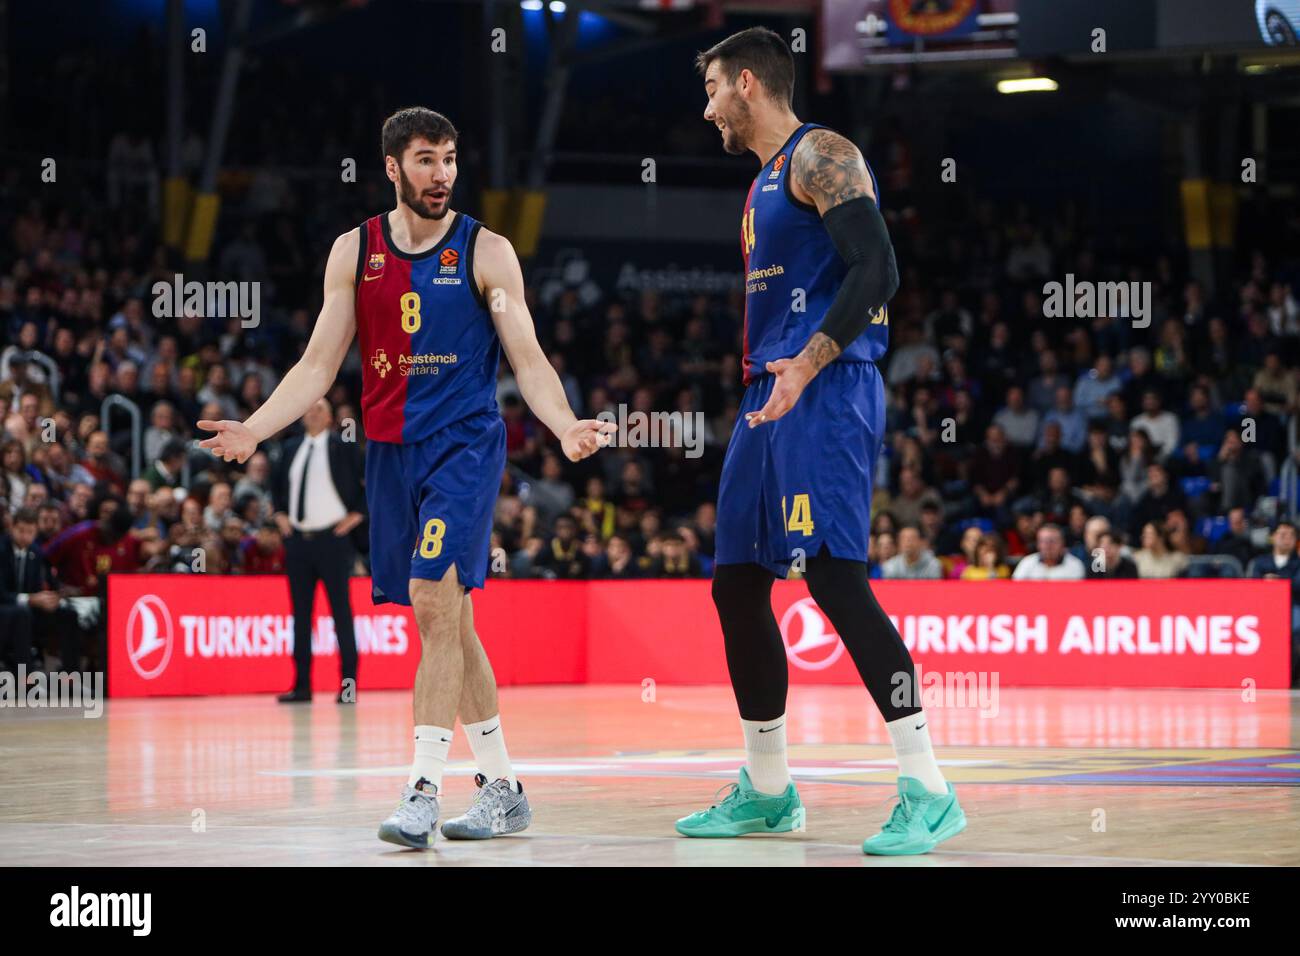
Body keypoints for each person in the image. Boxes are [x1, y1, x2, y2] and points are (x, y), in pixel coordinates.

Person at [197, 107, 614, 848]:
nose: (441, 173)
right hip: (390, 454)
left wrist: (563, 424)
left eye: (449, 159)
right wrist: (254, 429)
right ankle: (504, 790)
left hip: (464, 447)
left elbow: (528, 357)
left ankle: (422, 789)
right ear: (392, 167)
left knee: (430, 598)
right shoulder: (353, 251)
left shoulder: (487, 251)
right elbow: (318, 364)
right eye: (425, 159)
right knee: (450, 619)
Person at [676, 28, 964, 856]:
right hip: (769, 395)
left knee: (834, 578)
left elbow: (878, 269)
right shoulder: (762, 181)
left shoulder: (820, 153)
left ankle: (929, 789)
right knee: (736, 585)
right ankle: (769, 792)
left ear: (746, 82)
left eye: (712, 92)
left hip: (827, 386)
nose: (707, 111)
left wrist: (807, 363)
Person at [270, 398, 365, 703]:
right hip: (298, 541)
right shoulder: (289, 448)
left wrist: (356, 516)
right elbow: (276, 487)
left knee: (341, 613)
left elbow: (369, 484)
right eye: (308, 407)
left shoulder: (344, 447)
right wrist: (279, 515)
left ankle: (348, 686)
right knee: (300, 614)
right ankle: (301, 686)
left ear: (330, 417)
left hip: (332, 540)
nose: (312, 411)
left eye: (320, 408)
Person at [1011, 524, 1086, 580]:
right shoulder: (1027, 563)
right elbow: (1015, 589)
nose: (1048, 546)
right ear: (1038, 544)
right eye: (1043, 541)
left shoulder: (1075, 565)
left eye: (1052, 541)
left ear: (1062, 543)